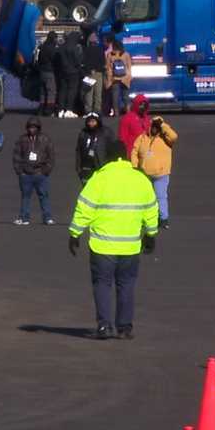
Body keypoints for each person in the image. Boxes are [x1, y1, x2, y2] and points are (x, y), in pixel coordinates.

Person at [68, 139, 159, 340]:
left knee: (102, 284)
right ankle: (125, 327)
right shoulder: (140, 180)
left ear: (106, 156)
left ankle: (104, 326)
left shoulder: (99, 179)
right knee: (126, 285)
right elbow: (151, 209)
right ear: (126, 156)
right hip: (130, 246)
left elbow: (84, 208)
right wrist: (151, 234)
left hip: (103, 246)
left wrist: (75, 234)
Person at [131, 116, 177, 229]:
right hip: (144, 174)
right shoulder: (142, 137)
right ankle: (145, 219)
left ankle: (163, 219)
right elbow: (135, 151)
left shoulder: (166, 139)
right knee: (144, 198)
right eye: (153, 126)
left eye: (157, 127)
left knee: (160, 197)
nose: (155, 129)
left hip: (160, 174)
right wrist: (134, 166)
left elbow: (174, 136)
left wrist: (162, 125)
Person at [12, 116, 55, 225]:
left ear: (38, 128)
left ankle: (47, 218)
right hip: (26, 174)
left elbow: (51, 156)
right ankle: (24, 218)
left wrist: (46, 171)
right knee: (25, 196)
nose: (32, 129)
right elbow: (17, 156)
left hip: (40, 173)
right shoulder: (22, 140)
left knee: (44, 196)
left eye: (34, 127)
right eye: (30, 127)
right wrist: (20, 171)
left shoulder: (45, 139)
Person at [54, 29, 83, 118]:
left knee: (62, 90)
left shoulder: (61, 48)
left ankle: (61, 110)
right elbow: (77, 61)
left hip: (63, 72)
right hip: (73, 72)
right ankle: (69, 109)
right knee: (72, 91)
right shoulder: (74, 47)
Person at [75, 112, 110, 183]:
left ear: (98, 121)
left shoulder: (105, 133)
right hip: (86, 168)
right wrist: (78, 168)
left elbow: (111, 150)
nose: (91, 124)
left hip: (101, 167)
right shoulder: (83, 133)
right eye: (89, 121)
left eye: (93, 121)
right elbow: (78, 151)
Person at [106, 38, 133, 116]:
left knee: (115, 96)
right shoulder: (126, 54)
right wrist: (129, 76)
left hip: (115, 78)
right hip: (125, 78)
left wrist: (109, 79)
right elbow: (129, 66)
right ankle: (128, 113)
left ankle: (116, 113)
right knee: (125, 96)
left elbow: (109, 68)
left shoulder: (110, 55)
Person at [81, 32, 106, 116]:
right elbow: (103, 62)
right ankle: (97, 110)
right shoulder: (100, 50)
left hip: (89, 73)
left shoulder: (86, 50)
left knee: (89, 93)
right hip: (99, 73)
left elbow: (84, 62)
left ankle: (88, 110)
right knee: (98, 93)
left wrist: (89, 70)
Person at [35, 31, 58, 116]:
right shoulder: (52, 48)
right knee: (51, 91)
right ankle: (49, 110)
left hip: (42, 71)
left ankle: (40, 109)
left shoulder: (43, 47)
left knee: (43, 92)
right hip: (50, 71)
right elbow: (55, 60)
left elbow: (39, 59)